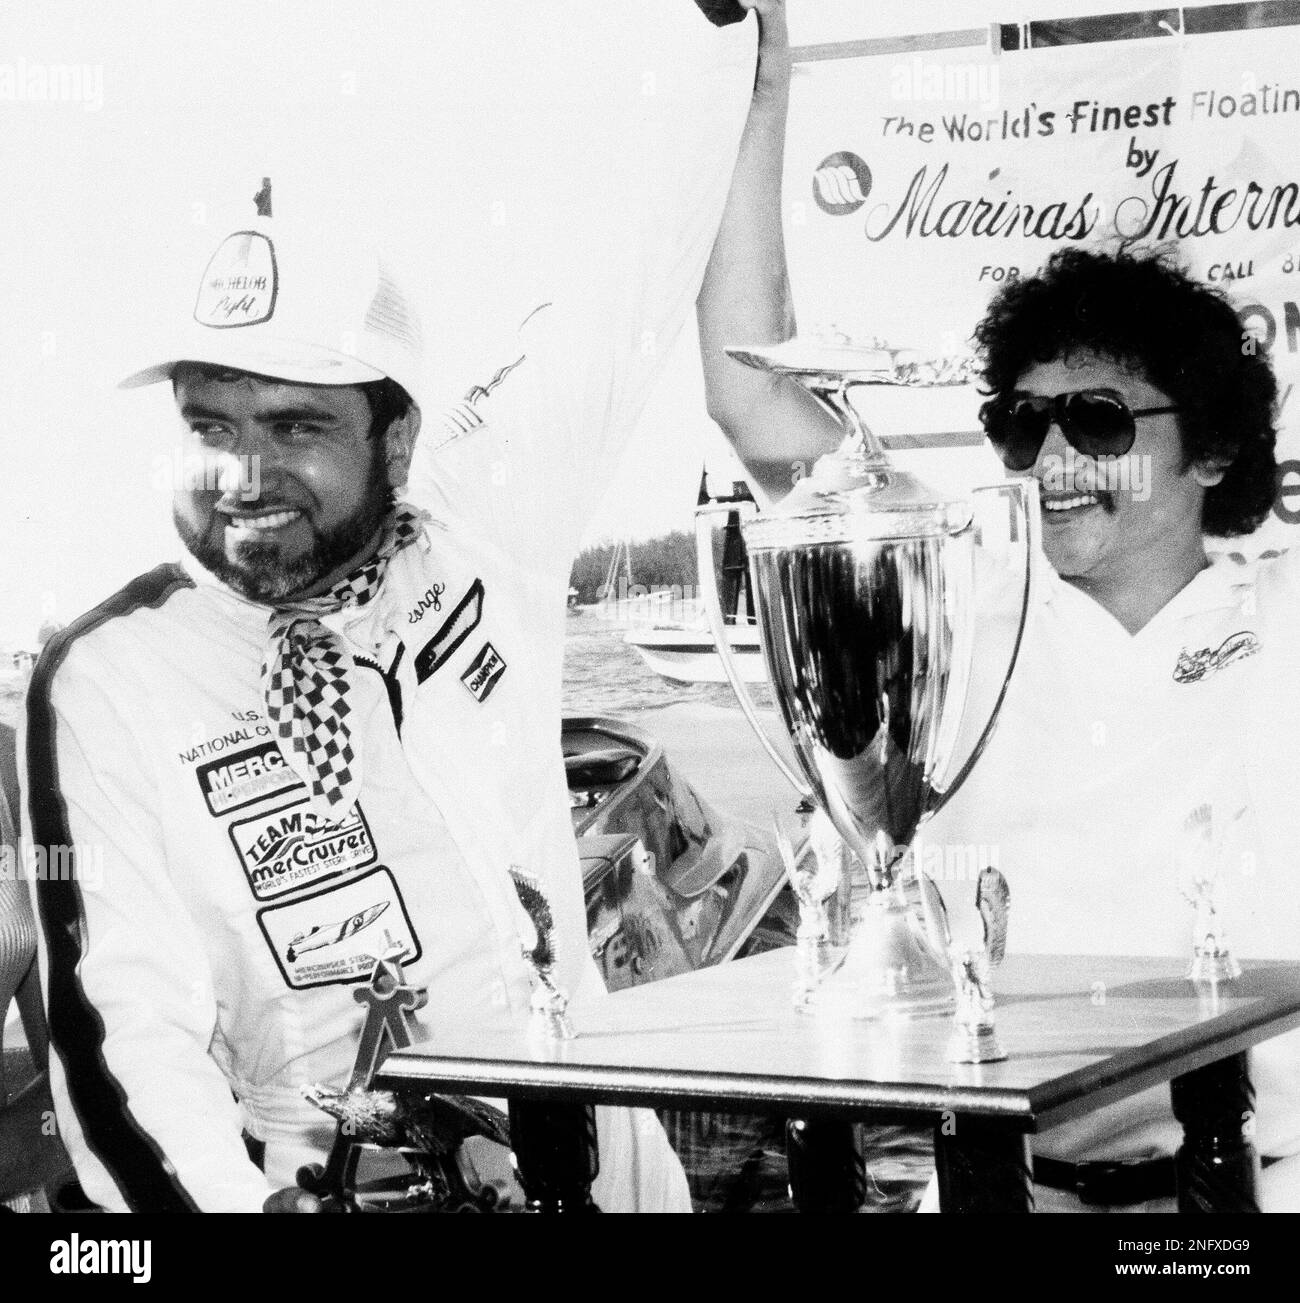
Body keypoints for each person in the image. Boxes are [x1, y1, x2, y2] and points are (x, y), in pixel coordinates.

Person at [22, 3, 759, 1213]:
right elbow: (123, 1039)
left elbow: (627, 273)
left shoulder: (480, 522)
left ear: (397, 433)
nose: (244, 478)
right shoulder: (112, 675)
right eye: (211, 426)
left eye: (298, 426)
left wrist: (726, 42)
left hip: (605, 1145)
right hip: (339, 1179)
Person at [697, 0, 1300, 1212]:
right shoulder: (970, 597)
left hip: (1250, 1189)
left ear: (1219, 452)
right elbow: (750, 399)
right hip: (1001, 1183)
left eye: (1100, 419)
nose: (1056, 459)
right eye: (1026, 423)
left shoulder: (1285, 619)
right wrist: (761, 101)